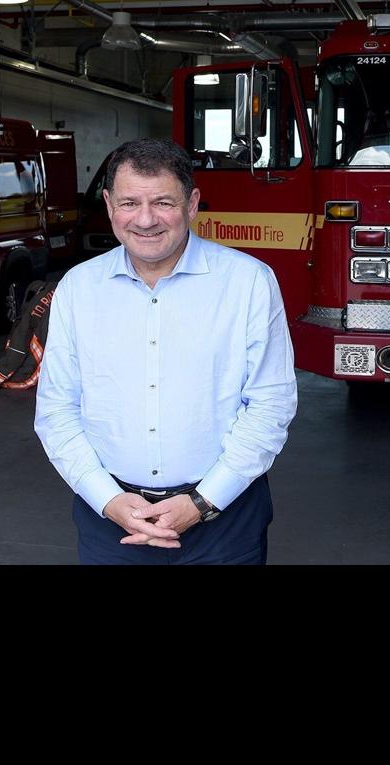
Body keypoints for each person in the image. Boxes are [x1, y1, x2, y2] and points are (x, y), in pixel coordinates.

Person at [34, 138, 297, 564]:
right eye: (129, 203)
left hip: (224, 520)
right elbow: (57, 408)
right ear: (109, 205)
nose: (145, 219)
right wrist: (108, 500)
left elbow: (271, 404)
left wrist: (203, 502)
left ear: (191, 205)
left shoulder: (248, 282)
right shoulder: (78, 289)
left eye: (163, 202)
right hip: (111, 522)